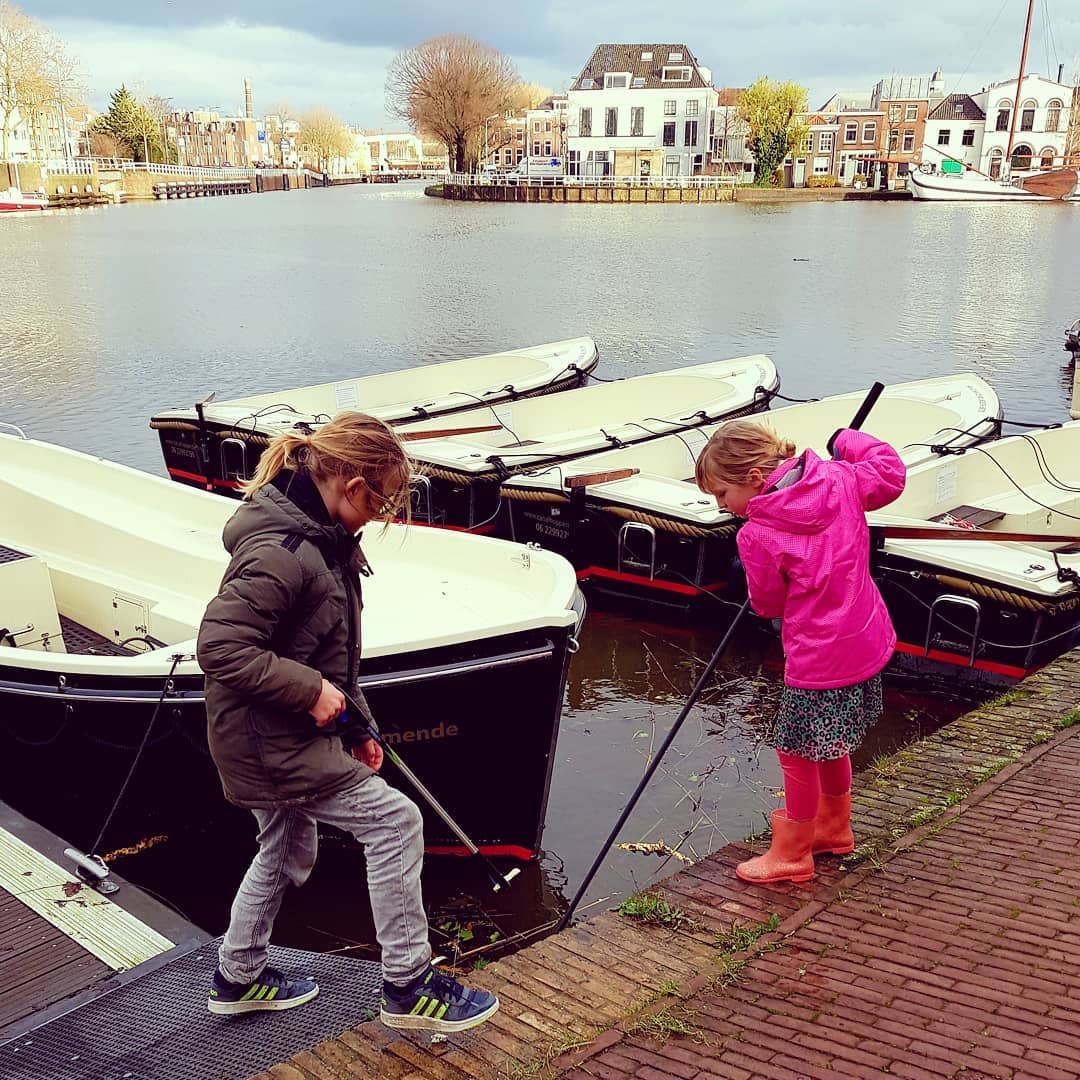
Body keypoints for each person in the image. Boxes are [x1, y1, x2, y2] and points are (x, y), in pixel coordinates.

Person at [197, 411, 499, 1032]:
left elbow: (331, 657)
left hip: (275, 733)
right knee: (395, 822)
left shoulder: (325, 541)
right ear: (355, 486)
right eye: (382, 503)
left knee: (285, 845)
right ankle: (408, 986)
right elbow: (221, 647)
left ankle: (239, 974)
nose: (382, 518)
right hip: (266, 740)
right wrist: (309, 693)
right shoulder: (284, 552)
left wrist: (358, 729)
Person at [694, 419, 905, 884]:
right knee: (828, 738)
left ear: (752, 477)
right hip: (864, 637)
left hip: (818, 654)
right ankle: (834, 828)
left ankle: (792, 854)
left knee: (795, 750)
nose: (722, 506)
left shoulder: (756, 534)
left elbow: (768, 602)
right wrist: (847, 440)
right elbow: (890, 472)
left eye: (722, 494)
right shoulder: (840, 478)